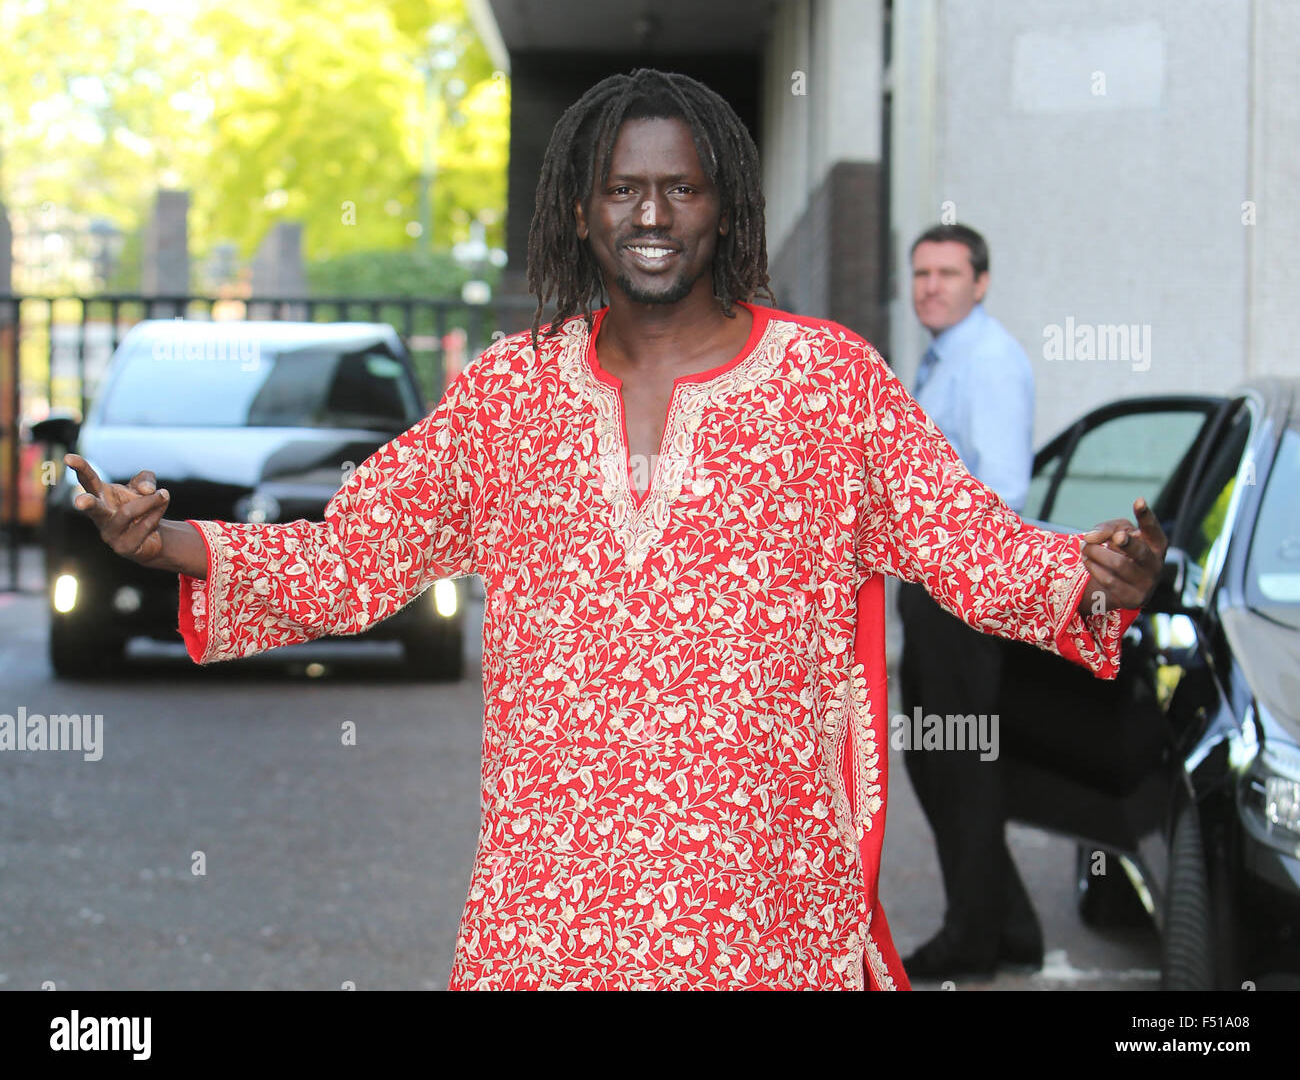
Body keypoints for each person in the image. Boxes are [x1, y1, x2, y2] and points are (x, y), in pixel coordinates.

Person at [66, 69, 1166, 991]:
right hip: (545, 904)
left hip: (757, 903)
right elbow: (359, 547)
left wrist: (1093, 571)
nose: (650, 215)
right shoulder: (512, 395)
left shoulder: (827, 384)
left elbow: (962, 536)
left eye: (679, 188)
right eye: (623, 190)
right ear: (581, 210)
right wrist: (172, 541)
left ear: (723, 205)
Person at [898, 224, 1043, 982]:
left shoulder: (986, 361)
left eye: (948, 273)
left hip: (963, 594)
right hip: (933, 591)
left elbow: (1004, 494)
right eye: (922, 273)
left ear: (980, 283)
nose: (932, 286)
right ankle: (1010, 923)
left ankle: (972, 939)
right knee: (936, 757)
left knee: (960, 760)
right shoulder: (942, 359)